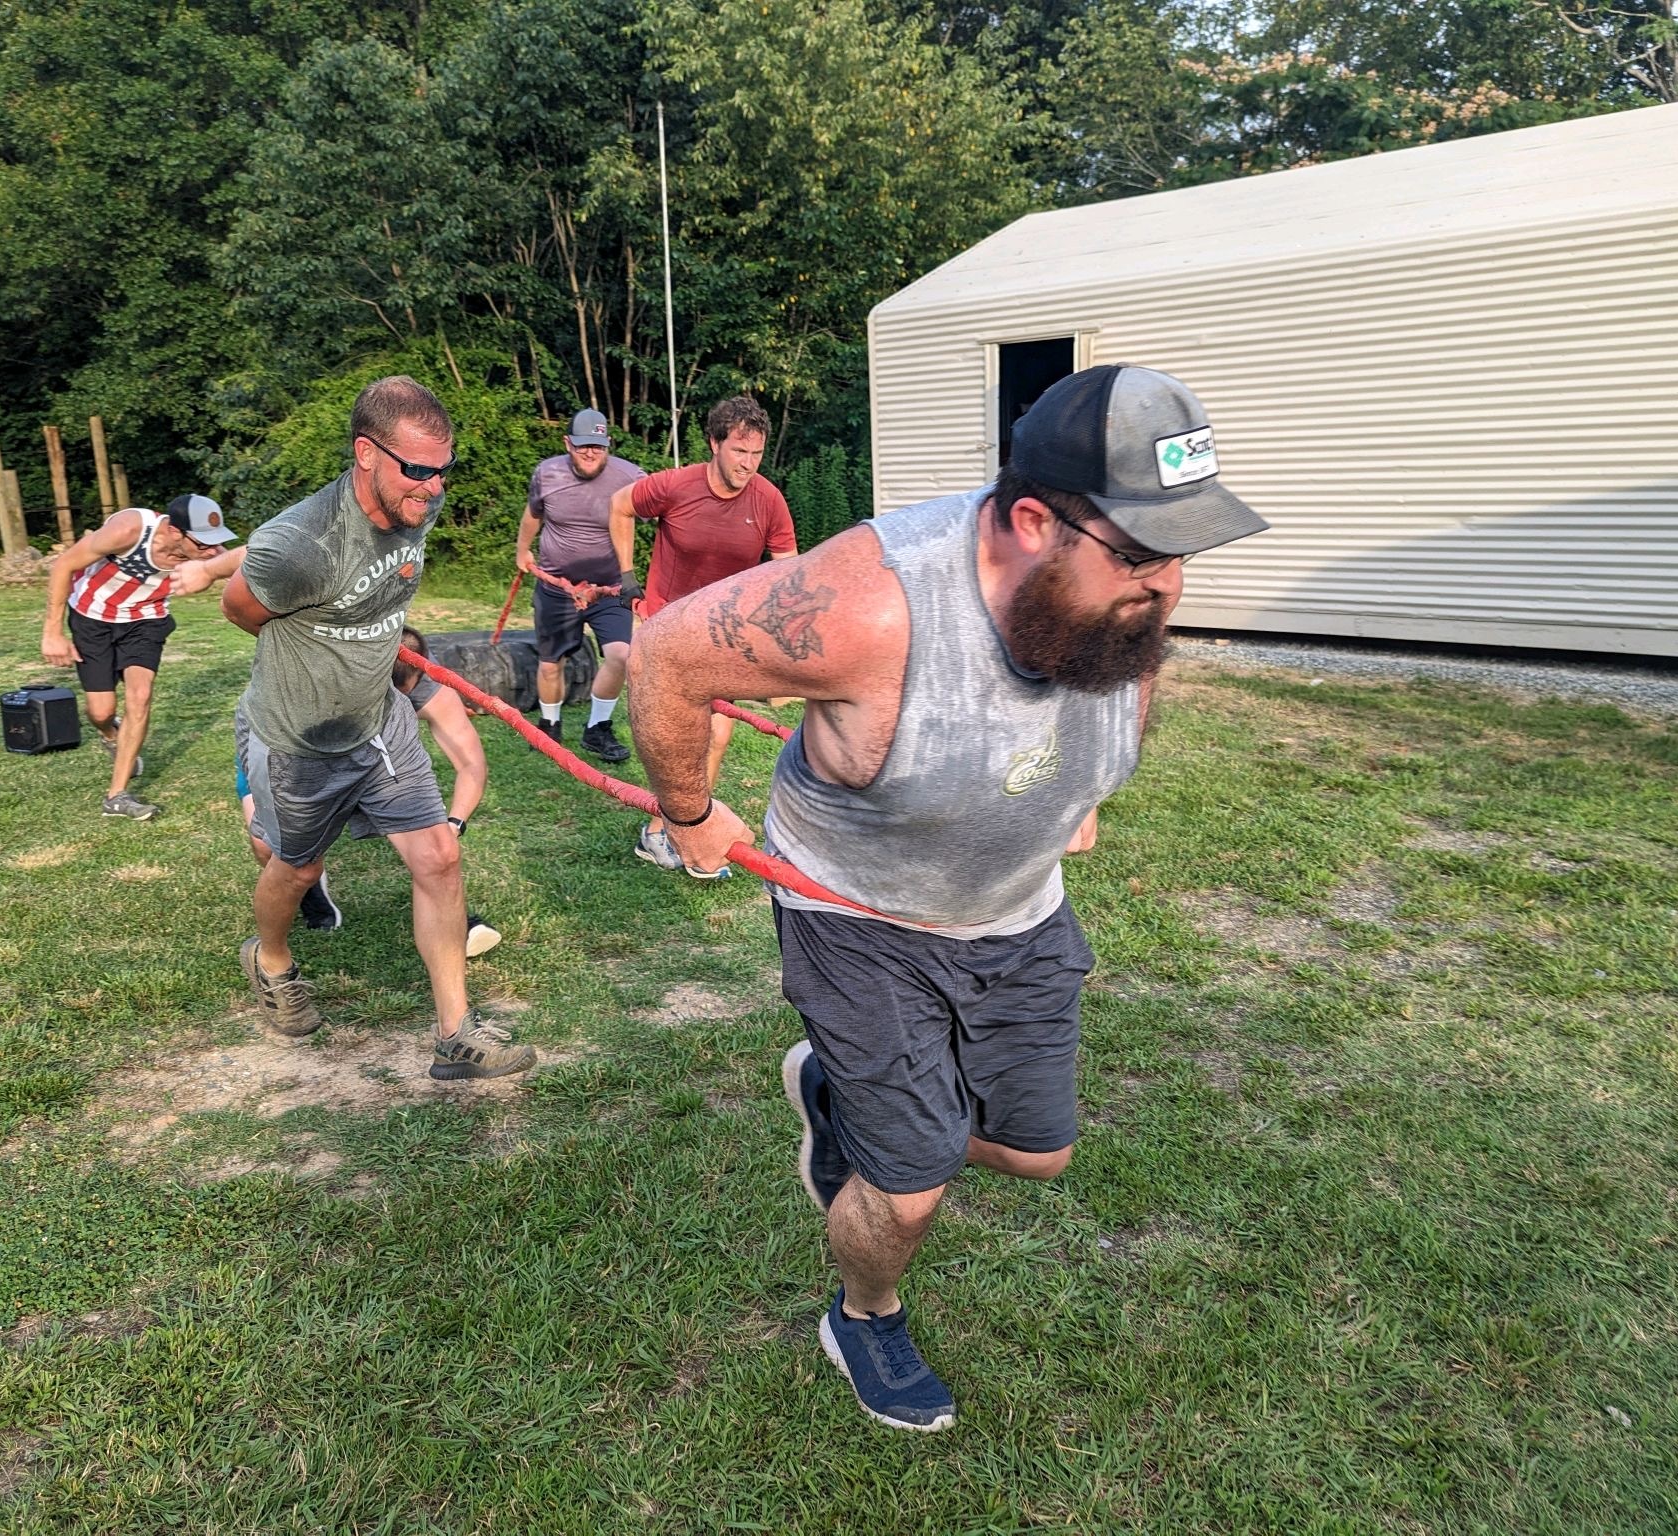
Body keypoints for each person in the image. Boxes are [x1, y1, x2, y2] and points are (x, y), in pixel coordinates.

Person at [626, 365, 1268, 1431]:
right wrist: (692, 816)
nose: (1167, 584)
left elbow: (1134, 656)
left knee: (1037, 1151)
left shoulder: (1117, 593)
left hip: (1015, 910)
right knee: (913, 1180)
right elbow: (667, 654)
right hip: (858, 916)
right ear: (1030, 522)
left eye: (1183, 554)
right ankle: (863, 1313)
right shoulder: (872, 603)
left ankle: (841, 1100)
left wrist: (1089, 783)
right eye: (1145, 554)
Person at [221, 375, 532, 1081]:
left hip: (379, 721)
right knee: (295, 867)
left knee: (439, 859)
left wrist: (370, 648)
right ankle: (269, 959)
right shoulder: (299, 544)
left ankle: (455, 1035)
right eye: (418, 471)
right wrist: (325, 646)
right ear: (367, 454)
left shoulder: (417, 503)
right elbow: (241, 611)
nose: (434, 488)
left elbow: (385, 588)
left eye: (445, 470)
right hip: (299, 737)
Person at [607, 395, 796, 872]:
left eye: (756, 454)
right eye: (739, 451)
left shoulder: (768, 500)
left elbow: (786, 572)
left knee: (718, 733)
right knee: (670, 736)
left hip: (720, 632)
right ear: (714, 443)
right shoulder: (676, 485)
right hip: (664, 624)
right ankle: (655, 832)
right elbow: (620, 505)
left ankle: (688, 832)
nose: (748, 464)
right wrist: (628, 576)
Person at [234, 624, 503, 958]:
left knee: (431, 851)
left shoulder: (429, 687)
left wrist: (453, 824)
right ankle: (305, 898)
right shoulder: (308, 680)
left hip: (375, 750)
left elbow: (471, 765)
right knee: (266, 845)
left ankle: (459, 924)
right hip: (287, 740)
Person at [41, 493, 244, 820]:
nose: (212, 550)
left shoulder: (206, 554)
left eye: (216, 543)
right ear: (177, 532)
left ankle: (116, 796)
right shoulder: (129, 530)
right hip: (93, 617)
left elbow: (241, 563)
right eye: (204, 543)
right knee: (101, 710)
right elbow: (64, 564)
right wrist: (52, 632)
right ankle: (110, 734)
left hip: (145, 621)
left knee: (140, 695)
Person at [515, 408, 645, 762]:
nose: (591, 453)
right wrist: (522, 551)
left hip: (610, 587)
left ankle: (597, 729)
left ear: (608, 445)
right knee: (550, 661)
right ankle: (550, 725)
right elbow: (533, 514)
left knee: (622, 656)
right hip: (558, 588)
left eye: (598, 446)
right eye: (583, 445)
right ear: (567, 443)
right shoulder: (547, 472)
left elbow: (663, 514)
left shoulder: (630, 476)